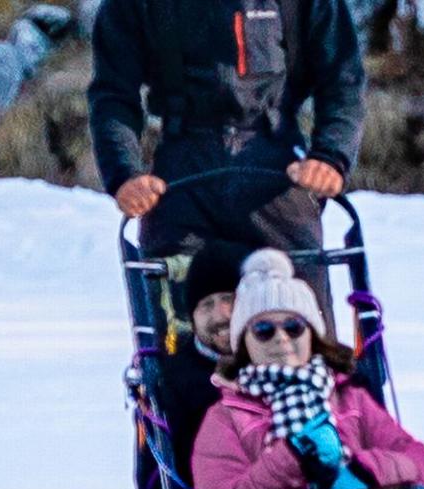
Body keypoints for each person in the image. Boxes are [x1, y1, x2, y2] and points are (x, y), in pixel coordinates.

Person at [86, 0, 365, 321]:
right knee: (174, 325)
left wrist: (330, 158)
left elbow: (343, 80)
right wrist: (124, 174)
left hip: (277, 167)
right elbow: (112, 95)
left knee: (299, 318)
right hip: (181, 170)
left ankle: (308, 367)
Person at [192, 250, 424, 489]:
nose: (281, 339)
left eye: (293, 327)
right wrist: (291, 458)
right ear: (245, 344)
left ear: (311, 335)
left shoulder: (349, 399)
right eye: (264, 330)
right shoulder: (228, 415)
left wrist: (363, 470)